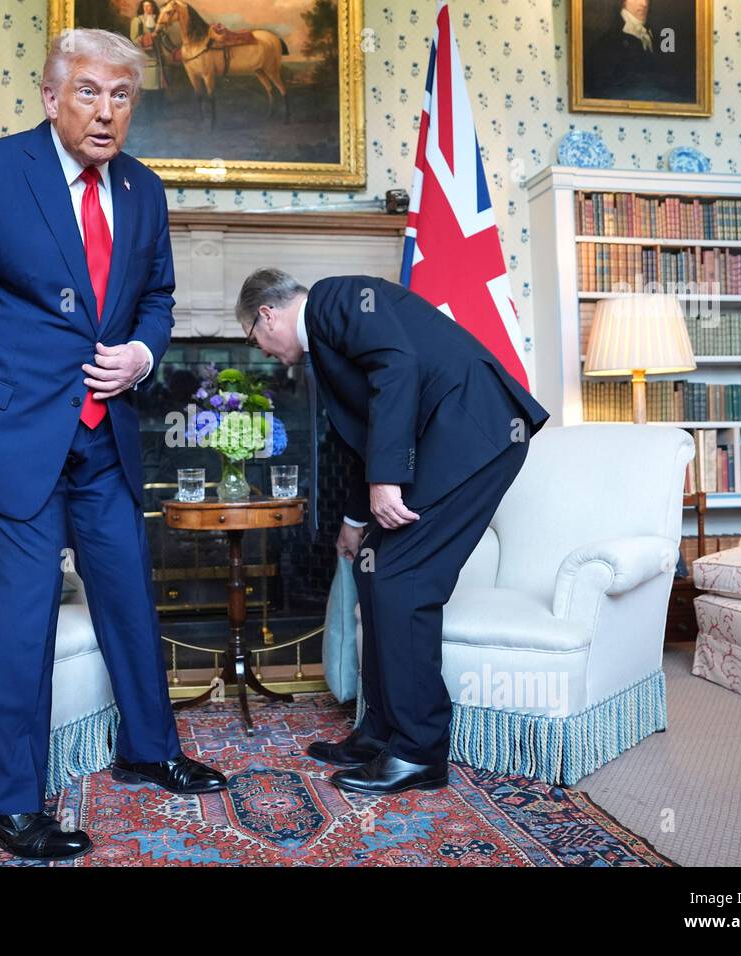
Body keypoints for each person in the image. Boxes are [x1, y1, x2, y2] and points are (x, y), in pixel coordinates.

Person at [0, 27, 226, 862]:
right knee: (18, 626)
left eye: (121, 96)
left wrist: (144, 353)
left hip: (106, 440)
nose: (105, 111)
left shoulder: (146, 191)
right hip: (11, 440)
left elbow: (156, 295)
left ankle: (150, 749)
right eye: (88, 91)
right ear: (52, 97)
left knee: (130, 598)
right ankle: (4, 806)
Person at [236, 269, 550, 795]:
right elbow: (368, 433)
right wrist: (356, 521)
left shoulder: (335, 297)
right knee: (371, 570)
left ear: (267, 314)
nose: (263, 351)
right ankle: (378, 732)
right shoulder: (328, 341)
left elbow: (397, 367)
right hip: (442, 443)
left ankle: (419, 751)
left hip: (477, 433)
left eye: (254, 339)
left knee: (403, 580)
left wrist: (387, 480)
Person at [128, 0, 169, 117]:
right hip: (146, 57)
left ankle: (160, 113)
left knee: (160, 88)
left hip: (159, 57)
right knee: (147, 88)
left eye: (150, 6)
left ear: (153, 8)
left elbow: (164, 36)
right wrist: (148, 38)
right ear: (142, 8)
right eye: (145, 6)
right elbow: (134, 38)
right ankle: (148, 115)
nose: (148, 9)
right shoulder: (138, 20)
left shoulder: (158, 20)